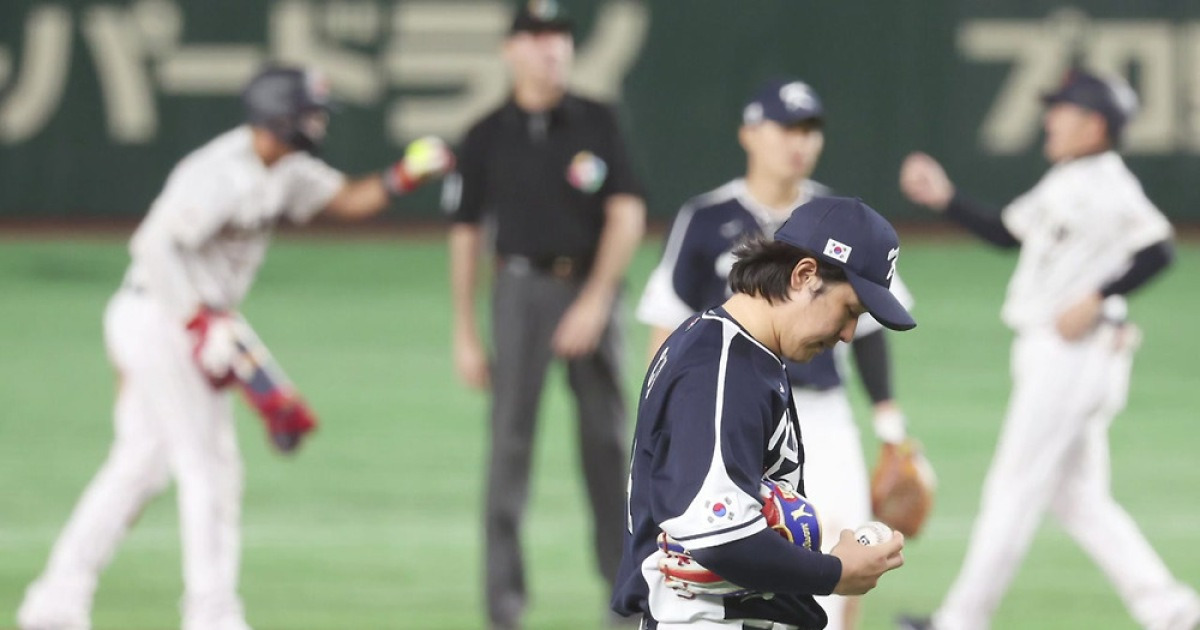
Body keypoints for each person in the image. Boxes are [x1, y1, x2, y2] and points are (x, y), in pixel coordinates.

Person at [16, 65, 454, 630]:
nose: (317, 121)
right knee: (211, 466)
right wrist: (197, 322)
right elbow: (152, 245)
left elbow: (346, 199)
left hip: (189, 320)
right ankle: (212, 615)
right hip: (160, 314)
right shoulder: (219, 172)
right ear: (276, 115)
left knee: (140, 467)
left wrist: (405, 174)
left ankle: (55, 602)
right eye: (307, 111)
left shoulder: (286, 167)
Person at [896, 68, 1200, 630]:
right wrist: (947, 199)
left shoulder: (1109, 182)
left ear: (1095, 125)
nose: (1049, 118)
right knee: (1081, 499)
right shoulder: (1065, 179)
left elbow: (1160, 251)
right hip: (1060, 357)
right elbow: (1007, 233)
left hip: (1074, 358)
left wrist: (1099, 295)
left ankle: (960, 621)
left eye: (1061, 109)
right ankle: (1174, 611)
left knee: (1013, 487)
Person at [636, 78, 916, 630]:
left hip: (816, 410)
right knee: (743, 551)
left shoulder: (841, 220)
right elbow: (666, 321)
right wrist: (664, 427)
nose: (801, 142)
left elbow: (870, 337)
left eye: (811, 130)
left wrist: (889, 422)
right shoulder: (707, 220)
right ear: (749, 134)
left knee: (833, 539)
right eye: (788, 128)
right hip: (730, 413)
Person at [442, 2, 647, 628]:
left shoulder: (596, 120)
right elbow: (466, 232)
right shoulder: (484, 134)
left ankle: (627, 602)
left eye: (558, 37)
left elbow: (627, 210)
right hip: (519, 292)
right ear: (511, 50)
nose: (550, 48)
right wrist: (465, 330)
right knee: (508, 453)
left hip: (589, 287)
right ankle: (503, 610)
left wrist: (595, 299)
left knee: (609, 452)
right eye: (536, 38)